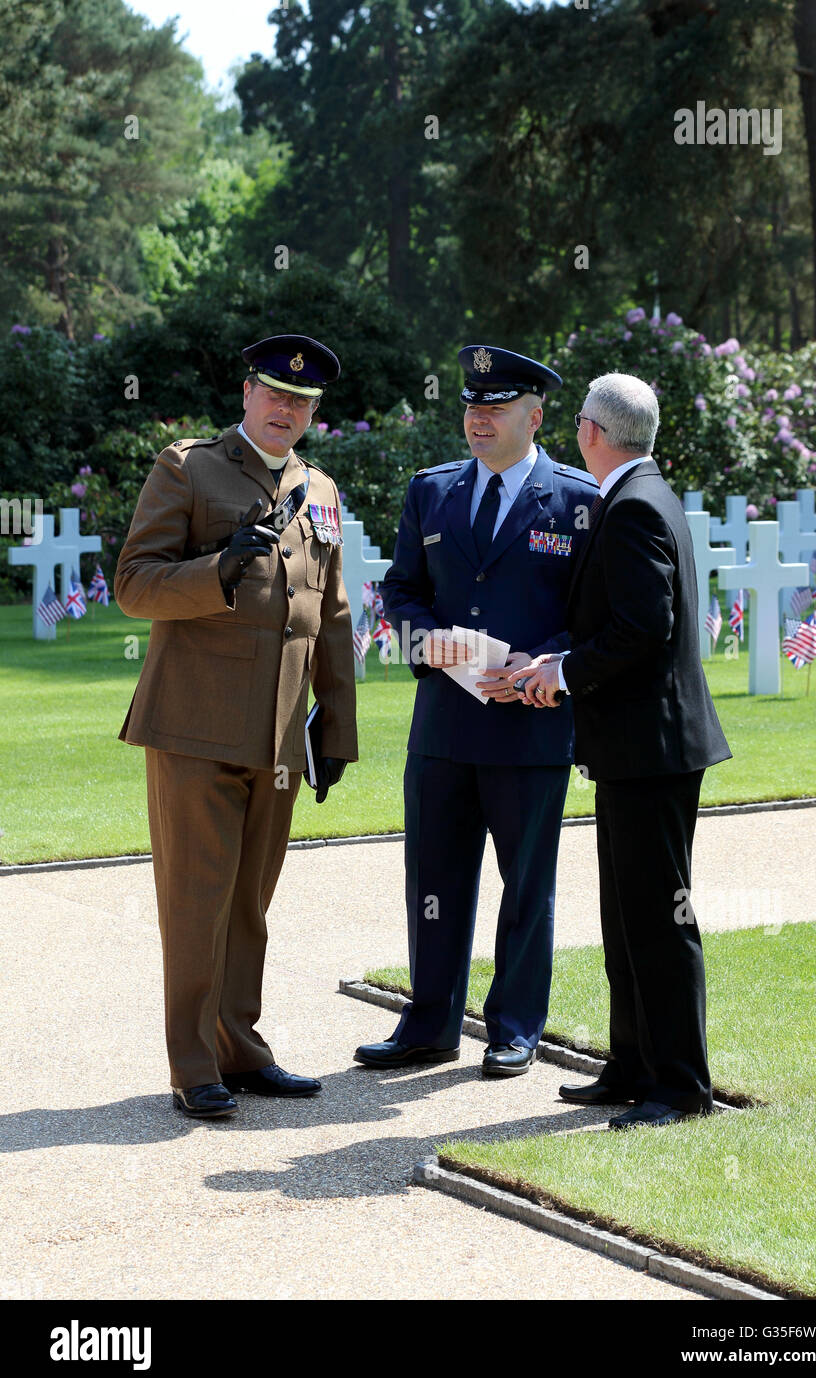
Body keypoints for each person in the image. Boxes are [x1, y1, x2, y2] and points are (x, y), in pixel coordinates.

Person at [115, 335, 358, 1119]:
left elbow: (332, 612)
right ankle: (194, 1065)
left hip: (279, 735)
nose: (287, 411)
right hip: (194, 726)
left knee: (251, 900)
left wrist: (337, 728)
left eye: (303, 403)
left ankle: (241, 1049)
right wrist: (217, 570)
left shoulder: (318, 487)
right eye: (276, 395)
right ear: (248, 393)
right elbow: (135, 586)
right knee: (198, 900)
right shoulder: (188, 468)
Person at [354, 345, 598, 1078]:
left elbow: (596, 612)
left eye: (494, 407)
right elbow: (400, 592)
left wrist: (540, 664)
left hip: (531, 723)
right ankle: (428, 1023)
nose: (478, 419)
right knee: (433, 877)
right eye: (470, 406)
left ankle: (515, 1026)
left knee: (526, 882)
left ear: (535, 414)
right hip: (445, 728)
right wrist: (433, 645)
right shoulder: (431, 492)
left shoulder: (582, 501)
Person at [517, 372, 732, 1128]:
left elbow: (644, 627)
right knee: (625, 914)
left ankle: (680, 1085)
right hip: (637, 748)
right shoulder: (644, 495)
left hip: (654, 749)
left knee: (659, 919)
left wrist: (563, 671)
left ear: (588, 432)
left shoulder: (635, 506)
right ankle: (633, 1064)